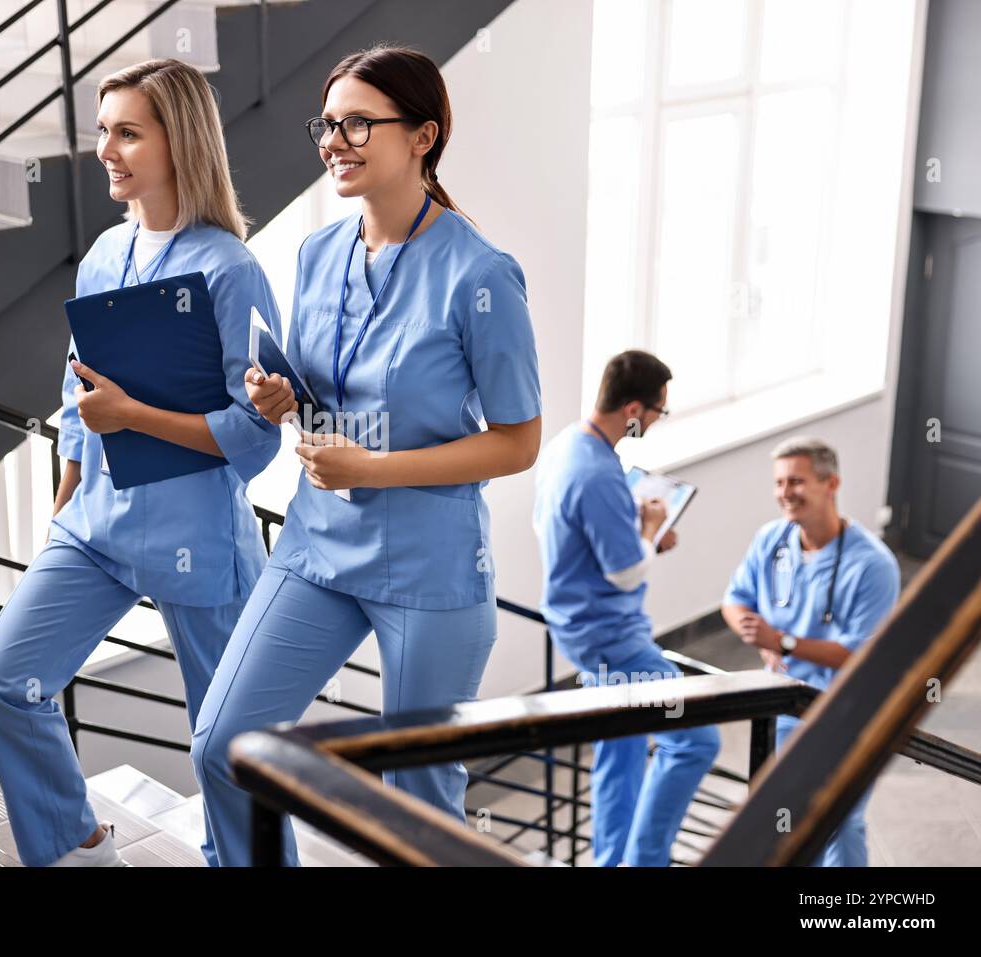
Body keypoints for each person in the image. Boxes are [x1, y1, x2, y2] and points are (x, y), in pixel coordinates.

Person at [189, 45, 543, 866]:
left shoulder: (481, 275)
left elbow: (519, 440)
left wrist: (376, 470)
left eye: (358, 123)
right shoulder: (317, 253)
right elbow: (319, 394)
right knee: (224, 745)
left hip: (430, 565)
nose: (334, 141)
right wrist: (278, 398)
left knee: (417, 800)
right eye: (329, 123)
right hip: (318, 545)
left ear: (423, 136)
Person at [0, 59, 283, 867]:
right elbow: (78, 392)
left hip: (203, 539)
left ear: (180, 141)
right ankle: (79, 850)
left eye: (127, 131)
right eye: (102, 129)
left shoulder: (229, 269)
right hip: (97, 528)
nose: (106, 147)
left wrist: (134, 417)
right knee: (0, 681)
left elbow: (256, 433)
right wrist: (70, 487)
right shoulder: (104, 254)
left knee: (229, 751)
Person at [533, 350, 718, 866]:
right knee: (695, 742)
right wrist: (651, 530)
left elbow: (574, 531)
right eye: (659, 411)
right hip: (609, 638)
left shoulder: (568, 446)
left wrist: (635, 522)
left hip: (574, 625)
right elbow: (624, 571)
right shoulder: (597, 473)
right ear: (634, 408)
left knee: (623, 746)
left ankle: (611, 861)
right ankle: (644, 860)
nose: (658, 421)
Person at [722, 436, 899, 866]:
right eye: (780, 482)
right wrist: (751, 629)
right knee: (788, 817)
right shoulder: (772, 539)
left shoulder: (873, 565)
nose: (785, 493)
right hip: (786, 703)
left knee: (840, 818)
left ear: (831, 483)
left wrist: (780, 641)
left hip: (848, 711)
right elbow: (735, 597)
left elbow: (861, 655)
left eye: (796, 482)